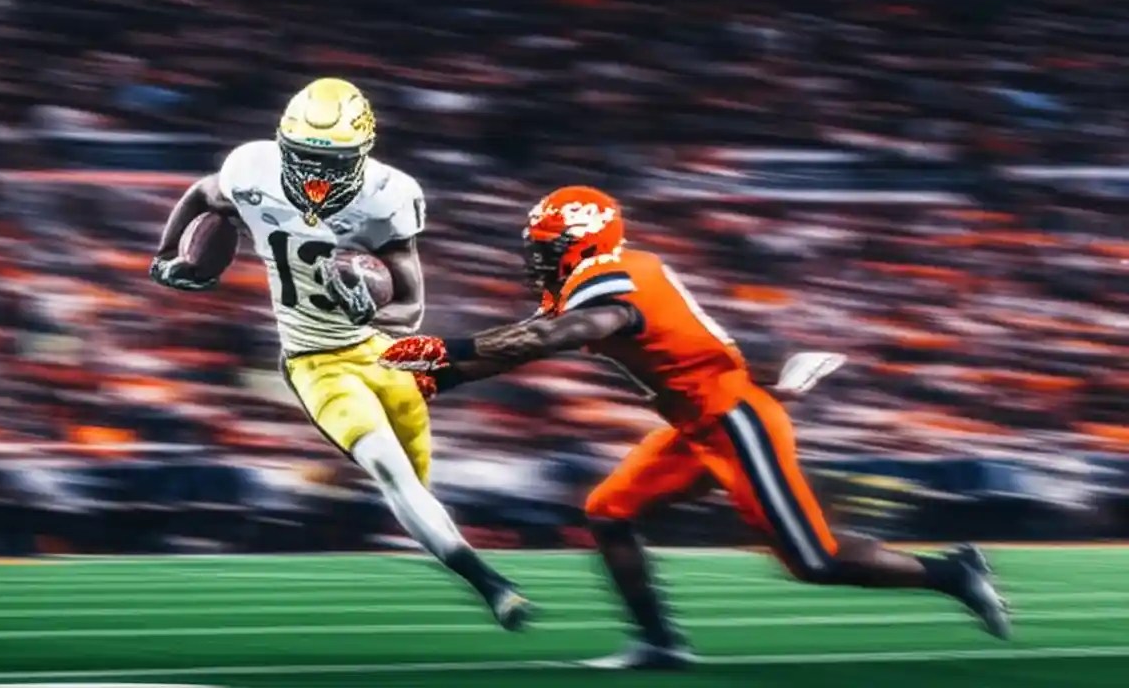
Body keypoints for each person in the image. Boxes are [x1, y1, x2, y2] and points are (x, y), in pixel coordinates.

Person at [378, 185, 1009, 668]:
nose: (536, 260)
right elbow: (529, 340)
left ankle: (955, 573)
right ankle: (660, 643)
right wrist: (448, 378)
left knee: (815, 561)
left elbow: (552, 336)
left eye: (546, 249)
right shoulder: (605, 273)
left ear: (583, 244)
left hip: (736, 422)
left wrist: (446, 349)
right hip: (695, 426)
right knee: (608, 510)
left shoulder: (611, 286)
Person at [149, 77, 530, 630]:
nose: (315, 174)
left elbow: (411, 306)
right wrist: (167, 256)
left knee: (416, 479)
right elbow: (204, 196)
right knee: (389, 469)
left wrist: (366, 309)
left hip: (383, 353)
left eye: (331, 161)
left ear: (363, 153)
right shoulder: (252, 169)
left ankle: (427, 545)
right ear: (283, 145)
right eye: (303, 158)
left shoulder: (386, 196)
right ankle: (492, 585)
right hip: (314, 361)